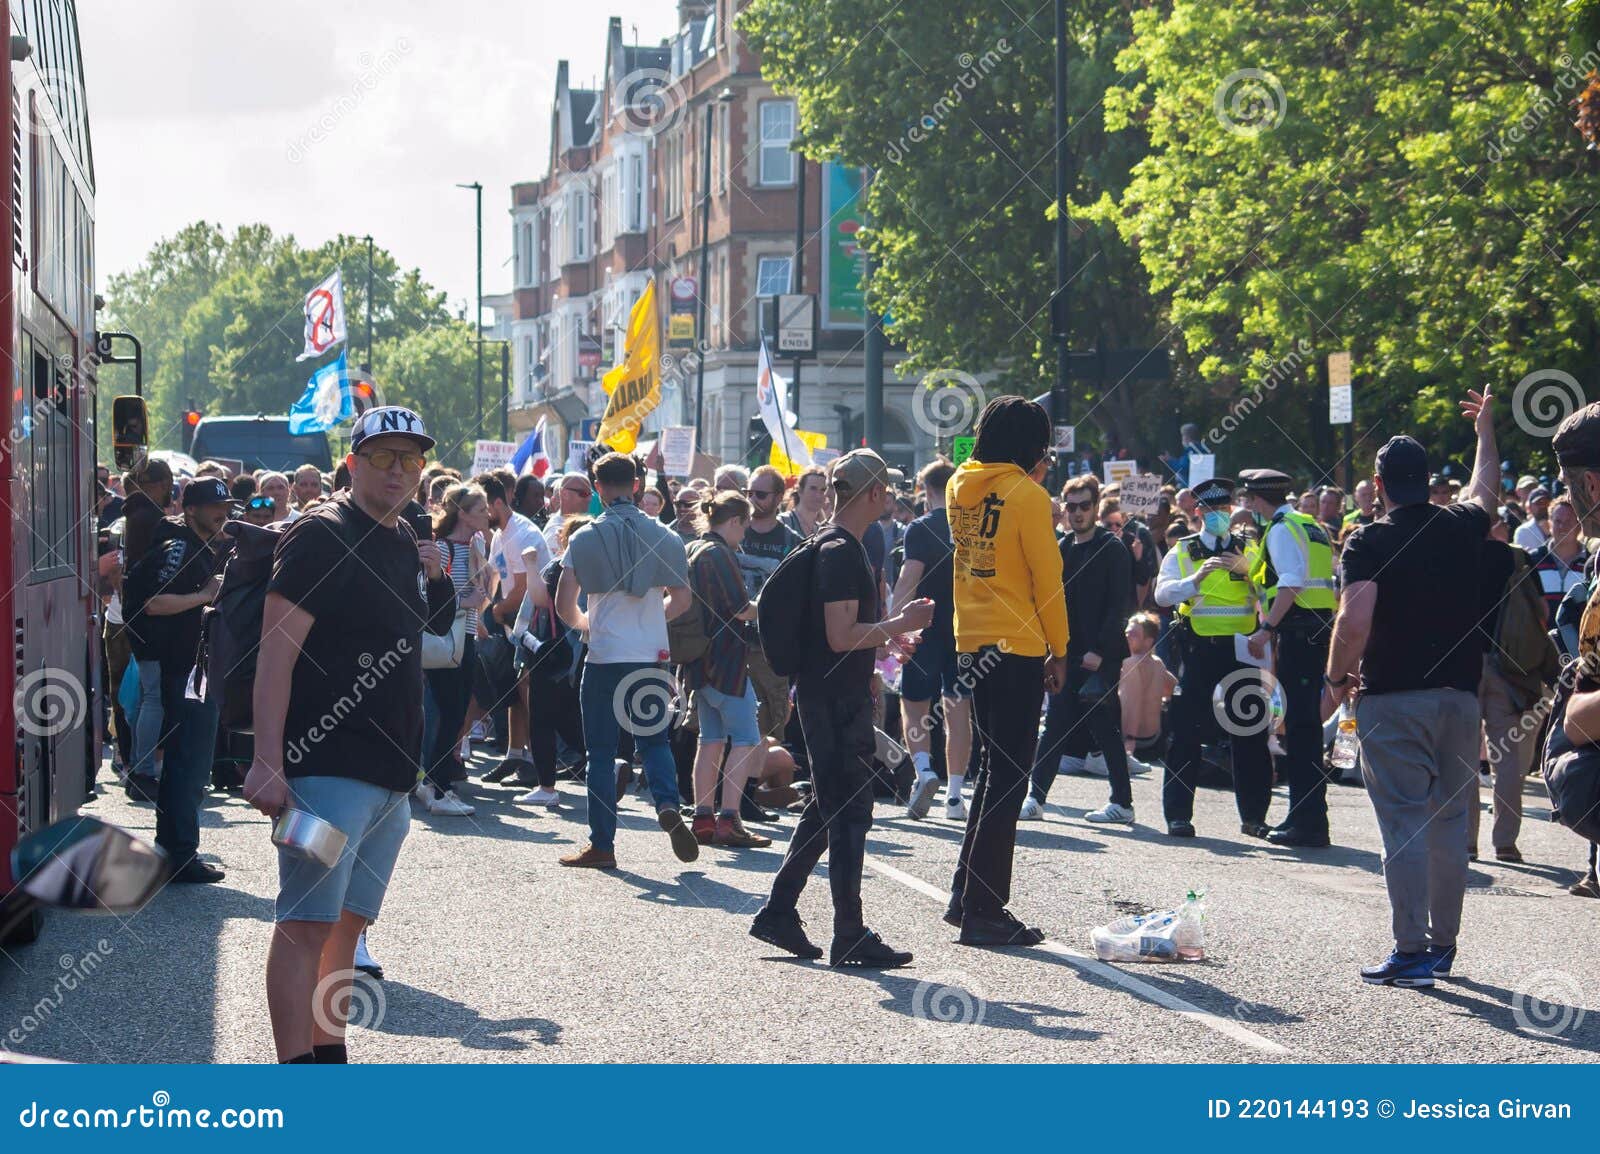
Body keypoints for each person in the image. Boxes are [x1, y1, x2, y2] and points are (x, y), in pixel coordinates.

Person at [245, 405, 457, 1063]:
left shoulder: (400, 540)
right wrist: (267, 761)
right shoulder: (321, 534)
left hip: (391, 777)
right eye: (384, 457)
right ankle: (295, 1075)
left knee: (348, 928)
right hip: (326, 768)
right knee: (305, 926)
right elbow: (275, 653)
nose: (399, 472)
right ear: (354, 461)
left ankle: (328, 1056)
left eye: (411, 459)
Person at [1324, 389, 1495, 988]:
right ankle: (1443, 945)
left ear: (1378, 483)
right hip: (1460, 699)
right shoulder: (1464, 526)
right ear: (1427, 481)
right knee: (1450, 824)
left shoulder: (1368, 540)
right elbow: (1485, 491)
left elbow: (1353, 621)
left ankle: (1410, 949)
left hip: (1394, 698)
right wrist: (1485, 433)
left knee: (1403, 823)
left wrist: (1336, 677)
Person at [750, 449, 933, 967]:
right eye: (889, 489)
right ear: (873, 493)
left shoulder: (838, 545)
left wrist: (882, 650)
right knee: (850, 813)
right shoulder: (841, 552)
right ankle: (847, 932)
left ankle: (779, 911)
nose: (893, 497)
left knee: (829, 806)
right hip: (830, 702)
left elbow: (839, 636)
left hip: (836, 695)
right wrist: (900, 624)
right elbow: (838, 635)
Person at [945, 397, 1067, 948]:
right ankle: (985, 907)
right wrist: (1059, 648)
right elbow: (1048, 580)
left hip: (970, 638)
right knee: (1008, 777)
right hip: (1017, 643)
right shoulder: (1029, 496)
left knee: (992, 771)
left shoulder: (957, 486)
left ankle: (967, 894)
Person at [554, 452, 698, 869]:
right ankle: (667, 804)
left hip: (604, 657)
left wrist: (586, 625)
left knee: (599, 754)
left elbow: (563, 603)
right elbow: (683, 599)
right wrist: (655, 618)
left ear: (598, 488)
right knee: (654, 742)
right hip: (651, 657)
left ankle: (603, 845)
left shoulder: (583, 537)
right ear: (636, 485)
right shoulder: (667, 537)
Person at [121, 476, 234, 882]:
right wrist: (205, 595)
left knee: (188, 763)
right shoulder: (181, 545)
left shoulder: (199, 544)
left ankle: (175, 851)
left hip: (194, 667)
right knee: (189, 763)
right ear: (190, 510)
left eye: (226, 505)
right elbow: (153, 603)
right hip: (184, 670)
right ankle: (179, 855)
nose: (223, 512)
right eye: (214, 506)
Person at [1154, 476, 1272, 839]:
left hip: (1242, 650)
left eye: (1225, 508)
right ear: (1199, 512)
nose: (1220, 514)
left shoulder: (1250, 548)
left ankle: (1254, 817)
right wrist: (1194, 582)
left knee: (1249, 731)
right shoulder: (1184, 550)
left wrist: (1247, 571)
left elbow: (1271, 592)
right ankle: (1178, 816)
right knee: (1185, 732)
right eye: (1213, 509)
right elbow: (1161, 595)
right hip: (1199, 649)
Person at [1023, 471, 1134, 824]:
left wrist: (1100, 651)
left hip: (1101, 656)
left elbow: (1121, 605)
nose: (1077, 513)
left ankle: (1123, 803)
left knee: (1104, 727)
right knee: (1055, 724)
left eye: (1084, 505)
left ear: (1097, 506)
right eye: (1070, 506)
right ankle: (1036, 798)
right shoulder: (1062, 548)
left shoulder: (1112, 548)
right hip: (1066, 653)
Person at [1240, 468, 1339, 848]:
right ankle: (1309, 816)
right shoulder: (1309, 524)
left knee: (1301, 730)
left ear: (1257, 499)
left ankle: (1307, 822)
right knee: (1306, 727)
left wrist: (1266, 628)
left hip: (1298, 631)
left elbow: (1292, 580)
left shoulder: (1282, 528)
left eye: (1249, 499)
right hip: (1316, 628)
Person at [684, 492, 771, 849]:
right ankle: (729, 821)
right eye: (744, 524)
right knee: (747, 739)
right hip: (727, 663)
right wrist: (770, 602)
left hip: (698, 661)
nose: (745, 533)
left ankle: (703, 819)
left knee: (710, 740)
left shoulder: (693, 549)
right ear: (734, 521)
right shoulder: (720, 555)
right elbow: (741, 609)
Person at [892, 458, 973, 822]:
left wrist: (891, 625)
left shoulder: (920, 528)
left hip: (924, 628)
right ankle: (955, 797)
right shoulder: (971, 528)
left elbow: (909, 579)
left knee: (914, 704)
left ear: (926, 491)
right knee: (959, 711)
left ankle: (924, 770)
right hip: (965, 630)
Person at [416, 483, 491, 816]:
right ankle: (438, 787)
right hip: (448, 639)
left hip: (467, 637)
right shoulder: (443, 548)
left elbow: (483, 590)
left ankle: (435, 783)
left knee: (456, 714)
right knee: (448, 713)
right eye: (480, 510)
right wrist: (465, 601)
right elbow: (428, 595)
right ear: (462, 513)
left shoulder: (474, 545)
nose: (487, 515)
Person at [475, 471, 552, 784]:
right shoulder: (501, 533)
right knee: (516, 692)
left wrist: (496, 610)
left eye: (481, 509)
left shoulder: (520, 532)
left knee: (528, 692)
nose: (480, 515)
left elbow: (521, 588)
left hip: (533, 623)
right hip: (513, 623)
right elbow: (494, 576)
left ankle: (537, 762)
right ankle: (515, 755)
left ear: (495, 503)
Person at [120, 457, 178, 801]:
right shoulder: (150, 518)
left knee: (145, 694)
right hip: (149, 616)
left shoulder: (133, 514)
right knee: (153, 695)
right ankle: (142, 770)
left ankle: (138, 766)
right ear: (157, 484)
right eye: (167, 483)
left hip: (136, 614)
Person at [737, 465, 803, 744]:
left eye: (761, 494)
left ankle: (764, 781)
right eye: (748, 492)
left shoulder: (793, 541)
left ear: (779, 497)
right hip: (731, 642)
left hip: (769, 647)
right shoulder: (733, 532)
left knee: (771, 719)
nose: (752, 500)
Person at [1119, 613, 1175, 774]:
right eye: (1127, 633)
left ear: (1148, 641)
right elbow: (1173, 688)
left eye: (1134, 634)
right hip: (1155, 741)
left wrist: (1130, 741)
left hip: (1133, 741)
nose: (1128, 636)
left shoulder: (1131, 662)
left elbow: (1133, 701)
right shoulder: (1157, 663)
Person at [1530, 495, 1587, 625]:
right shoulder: (1533, 560)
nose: (1563, 527)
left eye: (1569, 522)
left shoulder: (1591, 563)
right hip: (1542, 641)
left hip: (1577, 642)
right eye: (1558, 521)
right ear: (1549, 524)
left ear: (1579, 525)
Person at [543, 472, 594, 553]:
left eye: (591, 494)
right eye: (584, 494)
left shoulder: (578, 523)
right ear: (564, 494)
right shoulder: (555, 531)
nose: (589, 499)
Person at [780, 465, 828, 538]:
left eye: (823, 490)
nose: (818, 495)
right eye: (813, 489)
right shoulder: (782, 522)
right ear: (800, 491)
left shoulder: (821, 531)